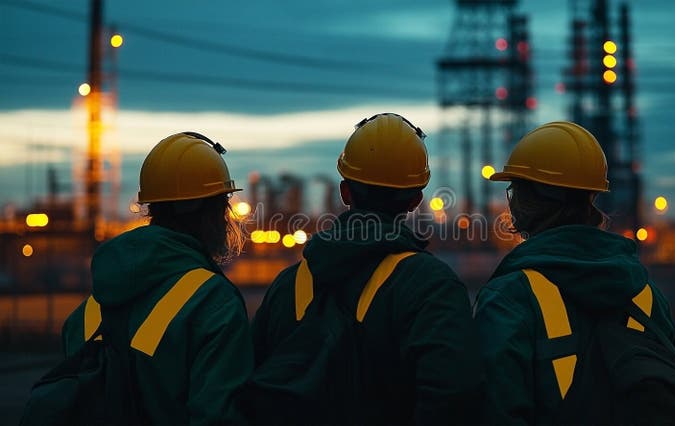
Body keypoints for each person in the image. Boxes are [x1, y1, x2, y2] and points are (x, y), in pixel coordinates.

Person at [248, 113, 484, 425]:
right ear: (415, 199)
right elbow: (452, 398)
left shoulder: (286, 287)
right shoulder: (432, 287)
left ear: (345, 193)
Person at [473, 121, 675, 425]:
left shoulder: (509, 299)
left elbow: (495, 410)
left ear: (523, 202)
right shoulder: (644, 293)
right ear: (592, 198)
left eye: (513, 190)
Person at [61, 131, 253, 425]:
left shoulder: (87, 312)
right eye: (224, 203)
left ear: (151, 208)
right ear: (213, 210)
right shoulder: (214, 304)